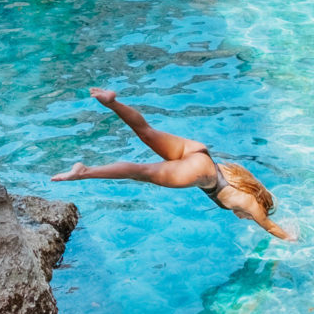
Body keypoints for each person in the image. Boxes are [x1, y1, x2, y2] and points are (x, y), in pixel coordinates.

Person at [52, 88, 297, 241]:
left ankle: (112, 102)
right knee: (142, 172)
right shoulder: (250, 204)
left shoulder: (243, 181)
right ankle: (84, 172)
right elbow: (270, 227)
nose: (242, 218)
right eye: (247, 217)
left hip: (199, 153)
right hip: (202, 172)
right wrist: (292, 239)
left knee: (146, 132)